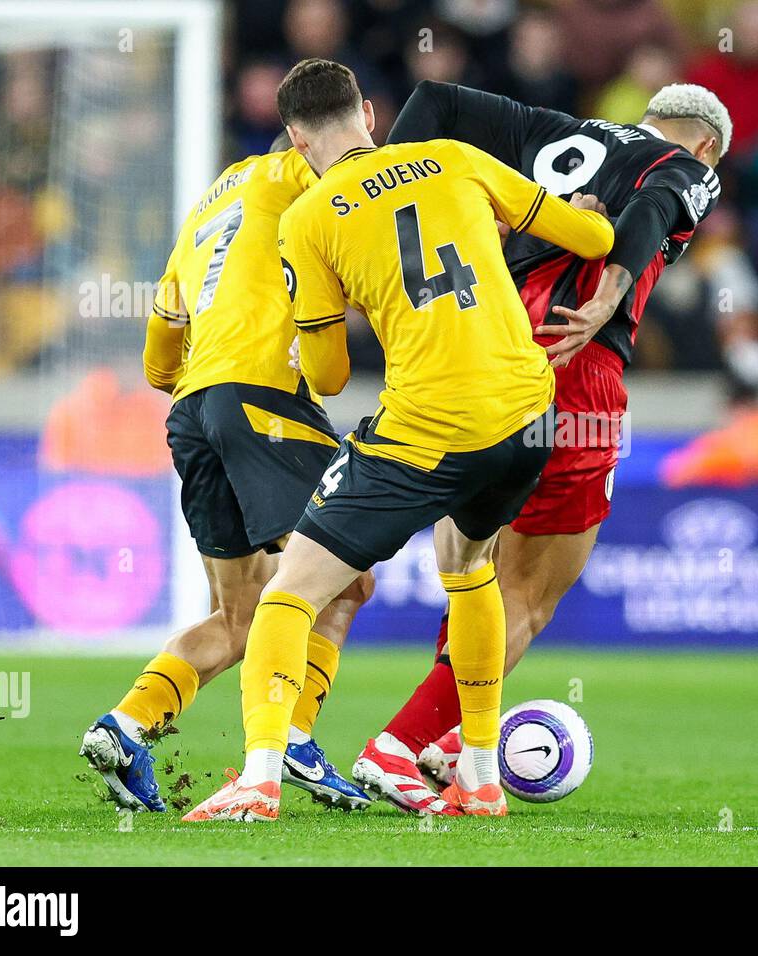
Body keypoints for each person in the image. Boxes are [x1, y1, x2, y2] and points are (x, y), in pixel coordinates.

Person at [181, 58, 613, 822]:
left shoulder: (307, 219)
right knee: (470, 564)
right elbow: (590, 234)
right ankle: (479, 778)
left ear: (296, 139)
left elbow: (329, 375)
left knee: (289, 594)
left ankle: (258, 779)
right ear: (370, 117)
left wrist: (331, 303)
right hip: (525, 416)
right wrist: (580, 212)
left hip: (431, 426)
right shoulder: (454, 158)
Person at [353, 78, 728, 813]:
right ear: (706, 144)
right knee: (529, 594)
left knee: (475, 574)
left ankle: (452, 746)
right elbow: (655, 210)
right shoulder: (685, 165)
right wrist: (608, 295)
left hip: (481, 354)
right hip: (572, 365)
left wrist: (377, 193)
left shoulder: (555, 128)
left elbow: (435, 97)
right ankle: (400, 748)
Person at [80, 132, 374, 814]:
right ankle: (293, 737)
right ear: (305, 149)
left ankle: (126, 725)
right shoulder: (299, 173)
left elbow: (158, 362)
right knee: (346, 582)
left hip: (192, 411)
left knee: (241, 616)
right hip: (266, 400)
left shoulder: (203, 217)